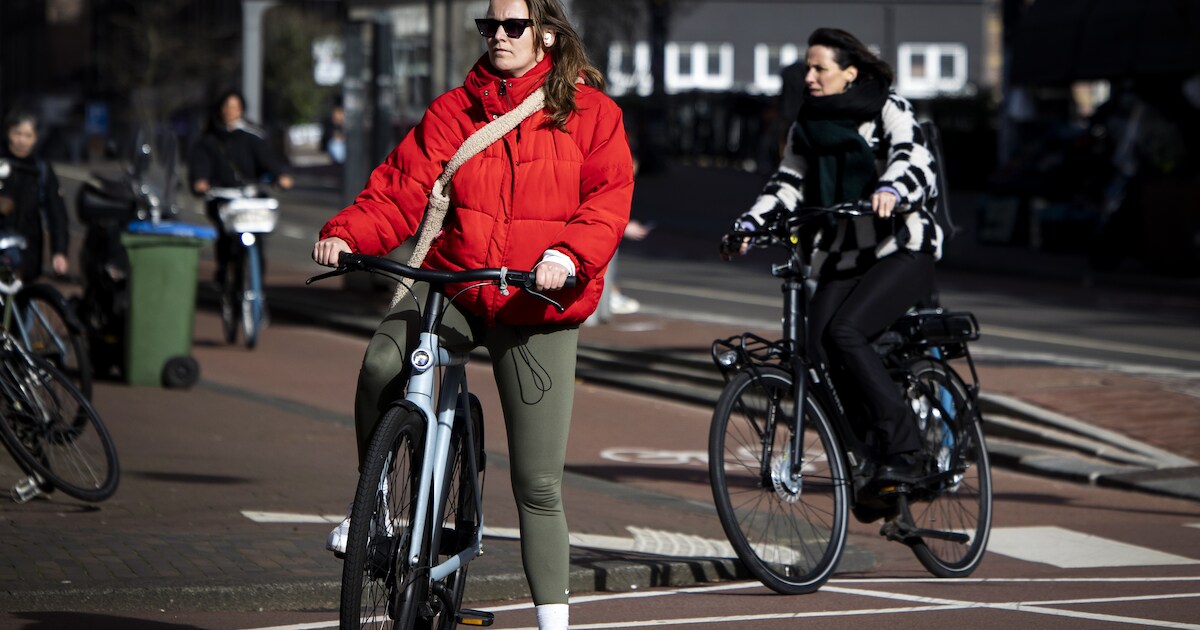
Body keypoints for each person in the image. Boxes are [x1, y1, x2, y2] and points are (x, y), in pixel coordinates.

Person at [311, 0, 634, 627]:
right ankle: (374, 504)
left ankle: (553, 624)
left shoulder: (593, 114)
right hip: (456, 287)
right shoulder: (454, 110)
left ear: (546, 33)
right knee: (381, 363)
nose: (498, 36)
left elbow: (606, 201)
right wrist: (348, 233)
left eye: (513, 26)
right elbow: (400, 189)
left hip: (536, 302)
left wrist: (567, 256)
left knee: (538, 485)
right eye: (489, 26)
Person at [721, 27, 942, 487]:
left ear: (850, 72)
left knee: (846, 331)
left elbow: (914, 159)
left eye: (819, 68)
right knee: (816, 347)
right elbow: (787, 183)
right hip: (843, 255)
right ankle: (871, 455)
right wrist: (749, 225)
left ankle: (907, 450)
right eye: (808, 68)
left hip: (900, 248)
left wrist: (892, 187)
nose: (810, 77)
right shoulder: (806, 125)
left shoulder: (888, 108)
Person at [188, 89, 293, 286]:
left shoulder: (251, 137)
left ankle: (257, 285)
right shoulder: (209, 141)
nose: (231, 111)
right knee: (226, 238)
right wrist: (201, 181)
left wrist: (280, 176)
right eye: (227, 107)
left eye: (236, 107)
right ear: (220, 110)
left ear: (242, 110)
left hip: (249, 198)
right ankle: (224, 272)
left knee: (258, 239)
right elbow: (200, 167)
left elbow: (268, 161)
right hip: (223, 198)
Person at [0, 110, 70, 281]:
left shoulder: (42, 170)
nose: (22, 140)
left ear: (35, 138)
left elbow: (56, 213)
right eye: (17, 133)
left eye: (28, 135)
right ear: (8, 133)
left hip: (29, 251)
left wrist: (59, 251)